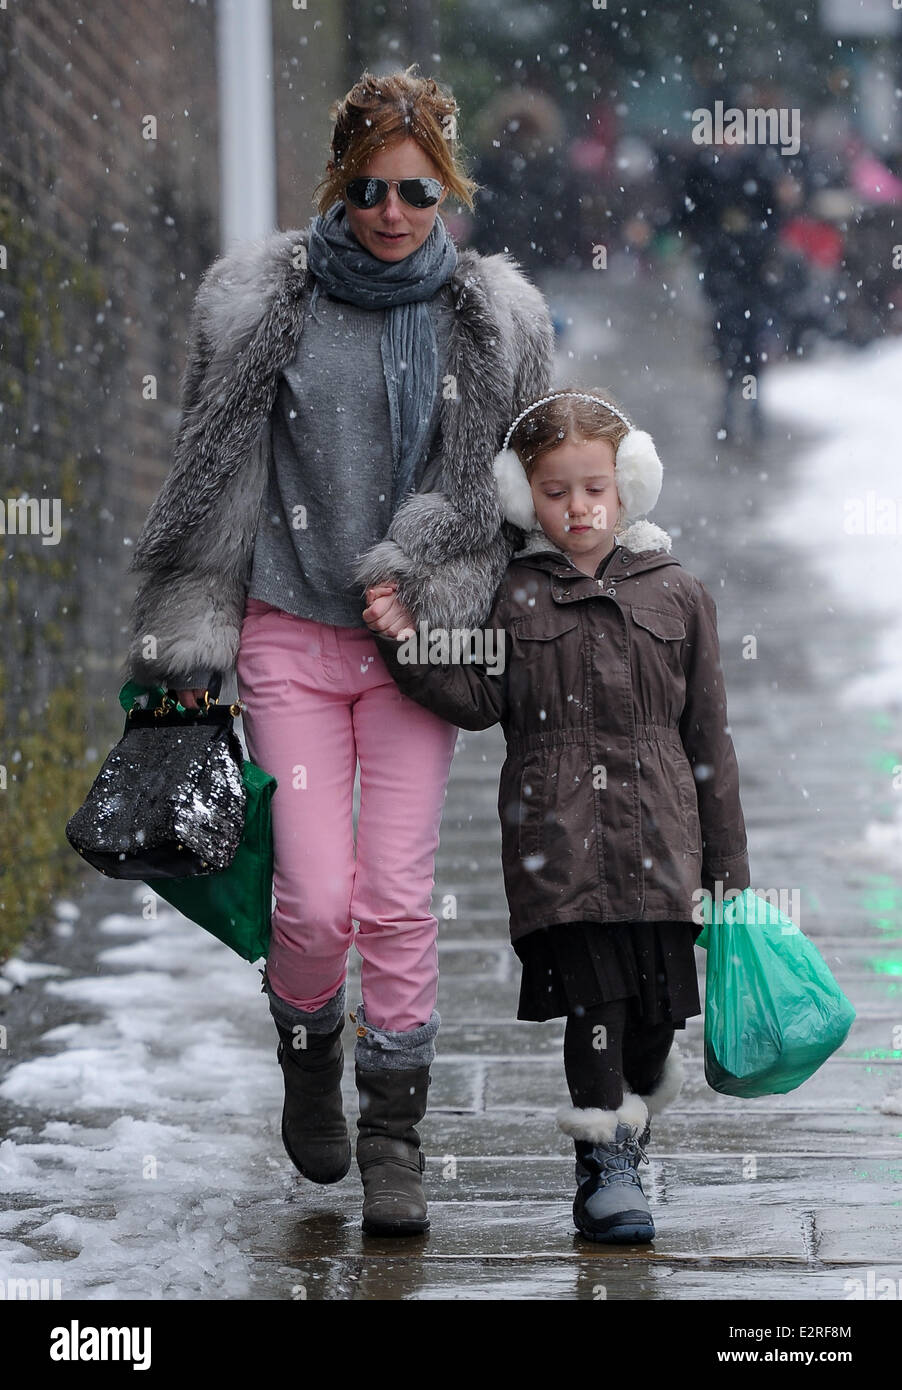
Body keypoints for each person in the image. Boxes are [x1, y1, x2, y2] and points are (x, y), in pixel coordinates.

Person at [122, 64, 556, 1237]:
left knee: (398, 897)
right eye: (367, 187)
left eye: (415, 190)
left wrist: (436, 586)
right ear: (338, 182)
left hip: (416, 650)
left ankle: (395, 1134)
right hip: (288, 633)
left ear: (445, 189)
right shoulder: (265, 303)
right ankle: (309, 1052)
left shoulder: (493, 319)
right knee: (314, 899)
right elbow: (205, 472)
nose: (390, 212)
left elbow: (510, 493)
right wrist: (187, 636)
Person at [363, 387, 750, 1243]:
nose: (578, 507)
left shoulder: (678, 594)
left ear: (628, 487)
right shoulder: (516, 597)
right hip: (562, 847)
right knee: (597, 1004)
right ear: (524, 498)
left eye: (595, 488)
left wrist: (730, 877)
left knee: (655, 1016)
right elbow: (472, 696)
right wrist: (404, 640)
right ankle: (604, 1166)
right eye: (555, 491)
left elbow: (710, 744)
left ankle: (632, 1125)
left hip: (663, 848)